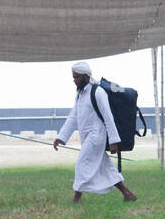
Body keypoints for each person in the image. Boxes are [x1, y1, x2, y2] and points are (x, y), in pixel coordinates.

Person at [52, 61, 138, 204]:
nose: (74, 81)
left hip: (96, 136)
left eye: (76, 77)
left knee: (81, 163)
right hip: (87, 137)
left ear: (85, 77)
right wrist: (61, 138)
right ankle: (128, 194)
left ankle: (76, 199)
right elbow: (74, 116)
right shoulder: (80, 94)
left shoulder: (98, 92)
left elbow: (108, 117)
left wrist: (114, 141)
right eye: (73, 77)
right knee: (106, 167)